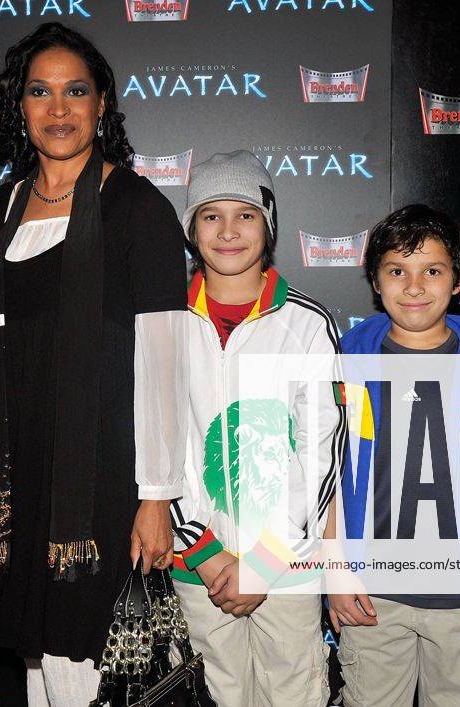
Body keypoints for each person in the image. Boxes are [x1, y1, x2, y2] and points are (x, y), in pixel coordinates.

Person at [0, 22, 188, 705]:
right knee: (40, 668)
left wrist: (155, 497)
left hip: (103, 487)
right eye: (40, 92)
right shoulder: (1, 207)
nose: (59, 108)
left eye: (76, 91)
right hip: (22, 484)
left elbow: (163, 363)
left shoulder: (139, 209)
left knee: (88, 668)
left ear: (102, 105)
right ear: (19, 107)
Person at [331, 204, 460, 707]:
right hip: (372, 596)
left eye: (432, 271)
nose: (414, 286)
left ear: (459, 281)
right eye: (396, 271)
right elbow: (334, 470)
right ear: (375, 282)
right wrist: (335, 567)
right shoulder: (349, 359)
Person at [170, 150, 344, 706]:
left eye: (245, 214)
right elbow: (157, 446)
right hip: (198, 565)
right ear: (191, 228)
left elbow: (321, 456)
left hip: (285, 569)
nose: (228, 231)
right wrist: (204, 550)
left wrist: (266, 561)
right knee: (214, 696)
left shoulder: (308, 324)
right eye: (211, 215)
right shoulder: (163, 321)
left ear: (268, 225)